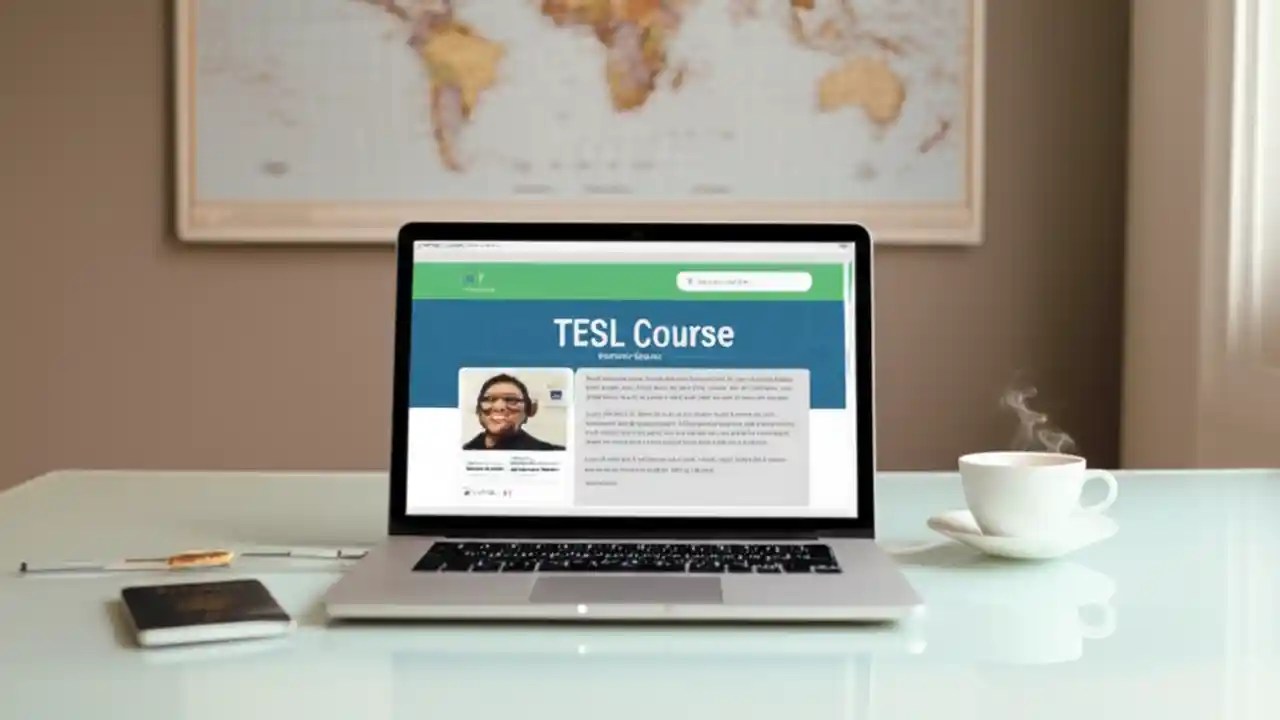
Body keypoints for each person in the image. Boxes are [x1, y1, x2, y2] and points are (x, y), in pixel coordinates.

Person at [462, 373, 565, 451]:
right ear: (478, 409)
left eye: (511, 400)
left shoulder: (552, 453)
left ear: (528, 410)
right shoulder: (461, 452)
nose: (499, 407)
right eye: (489, 399)